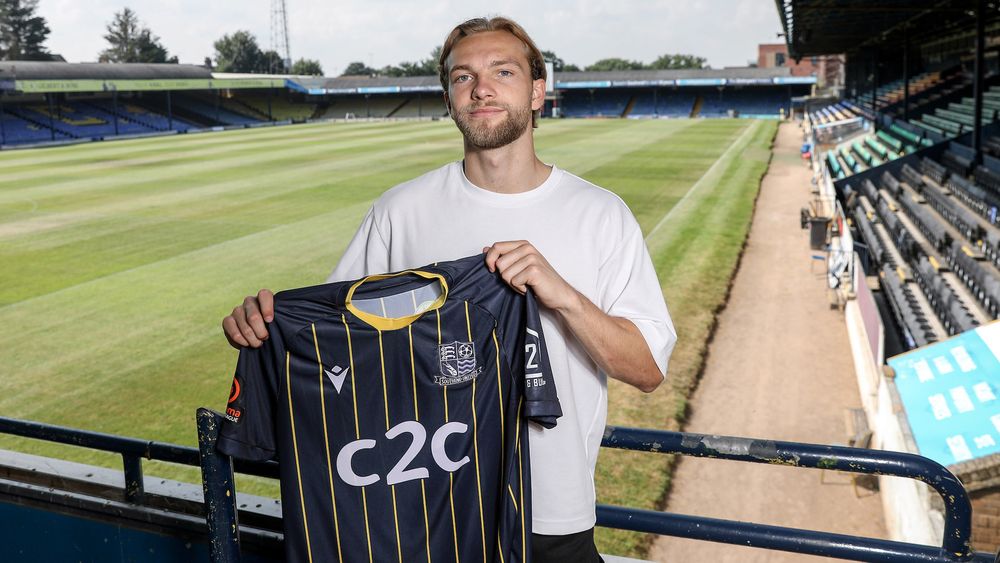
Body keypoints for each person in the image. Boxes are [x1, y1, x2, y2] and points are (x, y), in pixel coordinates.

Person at [223, 16, 676, 562]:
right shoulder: (399, 212)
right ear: (448, 98)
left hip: (552, 515)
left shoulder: (601, 215)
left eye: (502, 71)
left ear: (538, 92)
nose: (481, 88)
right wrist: (262, 326)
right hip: (425, 508)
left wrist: (563, 297)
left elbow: (647, 369)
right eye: (464, 77)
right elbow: (332, 344)